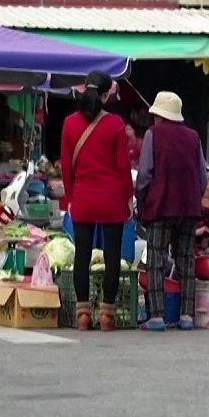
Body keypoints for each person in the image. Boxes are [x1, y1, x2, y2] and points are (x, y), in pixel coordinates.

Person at [60, 70, 133, 332]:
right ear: (105, 95)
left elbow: (66, 167)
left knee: (82, 255)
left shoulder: (69, 123)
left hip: (83, 197)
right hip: (112, 198)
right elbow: (124, 167)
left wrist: (70, 197)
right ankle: (107, 316)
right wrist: (129, 198)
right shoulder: (115, 124)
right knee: (113, 257)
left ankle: (82, 314)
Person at [136, 91, 207, 331]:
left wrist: (141, 200)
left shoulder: (152, 135)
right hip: (188, 207)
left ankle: (156, 316)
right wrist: (194, 198)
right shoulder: (193, 137)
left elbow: (145, 174)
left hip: (160, 206)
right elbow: (202, 177)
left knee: (156, 260)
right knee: (186, 260)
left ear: (158, 115)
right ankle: (187, 315)